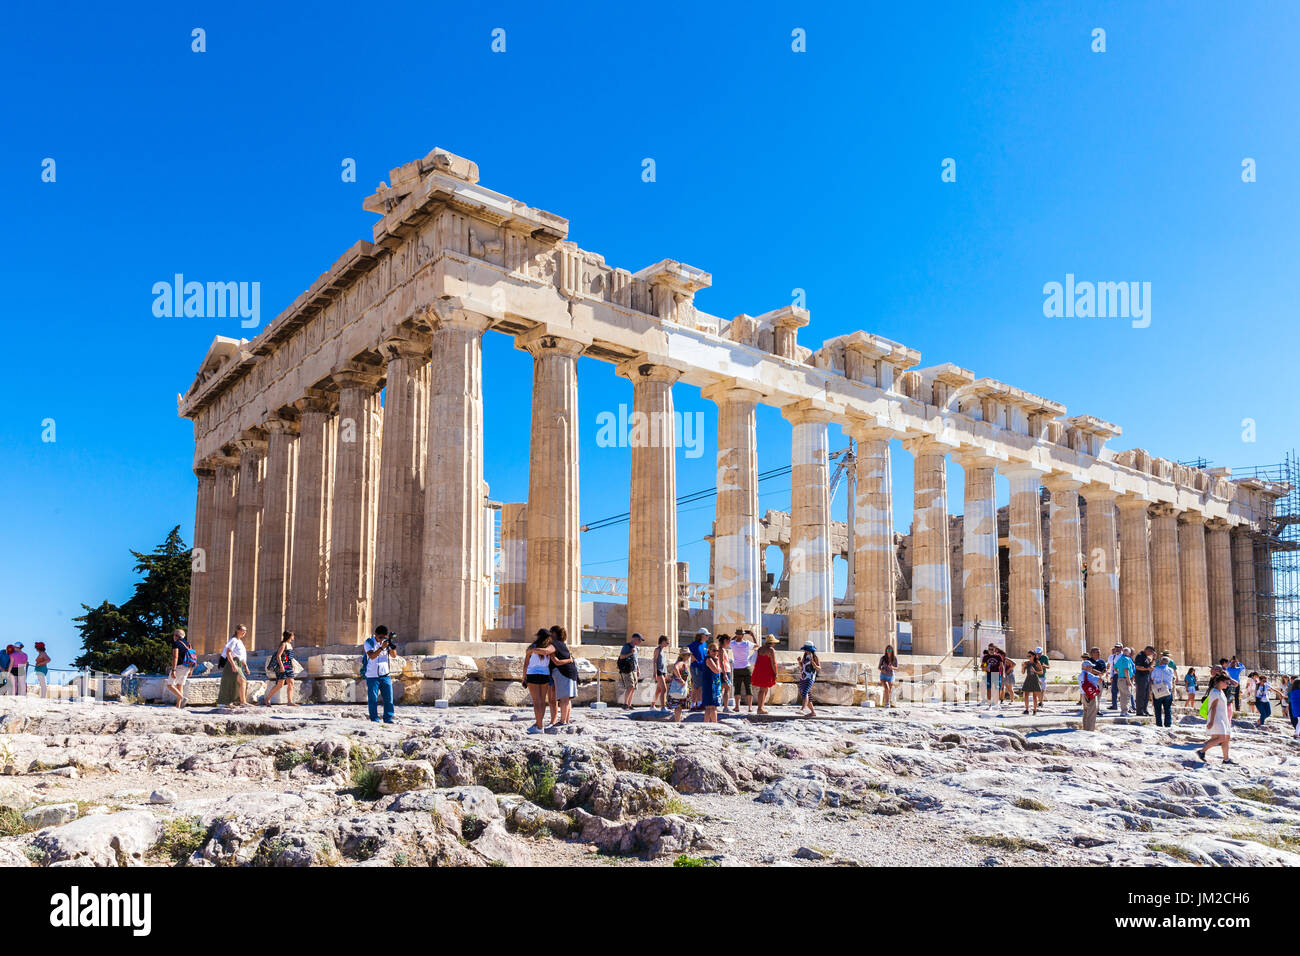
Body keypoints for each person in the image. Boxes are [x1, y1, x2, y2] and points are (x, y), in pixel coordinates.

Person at [521, 629, 555, 733]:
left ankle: (539, 726)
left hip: (532, 674)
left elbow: (526, 664)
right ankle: (539, 724)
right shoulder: (550, 647)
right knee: (542, 701)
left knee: (536, 702)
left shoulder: (531, 648)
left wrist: (523, 677)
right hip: (545, 674)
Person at [363, 625, 398, 725]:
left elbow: (394, 655)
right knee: (373, 698)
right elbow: (372, 656)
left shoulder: (386, 643)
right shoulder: (368, 642)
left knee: (388, 698)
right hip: (372, 675)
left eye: (383, 637)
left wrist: (390, 645)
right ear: (375, 635)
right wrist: (381, 648)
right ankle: (374, 718)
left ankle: (388, 718)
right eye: (380, 637)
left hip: (385, 674)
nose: (381, 639)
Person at [1197, 674, 1234, 764]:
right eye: (1226, 683)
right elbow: (1213, 707)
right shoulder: (1214, 692)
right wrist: (1211, 722)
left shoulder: (1220, 692)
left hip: (1223, 718)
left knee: (1226, 738)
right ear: (1220, 682)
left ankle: (1226, 759)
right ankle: (1201, 751)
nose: (1227, 685)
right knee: (1222, 738)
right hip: (1217, 718)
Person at [548, 625, 578, 728]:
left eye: (550, 632)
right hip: (571, 672)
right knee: (567, 699)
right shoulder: (562, 644)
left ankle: (562, 721)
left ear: (554, 633)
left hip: (563, 672)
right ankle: (566, 720)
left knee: (564, 699)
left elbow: (557, 662)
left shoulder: (554, 644)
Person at [217, 625, 249, 706]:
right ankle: (243, 702)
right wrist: (233, 665)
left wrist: (245, 666)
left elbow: (241, 656)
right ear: (237, 630)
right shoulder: (233, 640)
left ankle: (239, 701)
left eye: (246, 630)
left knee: (236, 682)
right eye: (243, 630)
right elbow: (228, 652)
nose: (244, 632)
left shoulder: (240, 641)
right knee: (242, 681)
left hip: (238, 663)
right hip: (233, 663)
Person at [262, 631, 296, 707]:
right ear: (289, 636)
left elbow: (288, 657)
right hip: (283, 665)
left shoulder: (290, 645)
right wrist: (281, 666)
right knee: (280, 684)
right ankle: (267, 699)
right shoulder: (283, 644)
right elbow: (278, 656)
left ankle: (290, 702)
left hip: (288, 665)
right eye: (293, 635)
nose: (294, 637)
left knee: (291, 683)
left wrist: (292, 665)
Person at [164, 628, 194, 708]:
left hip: (179, 666)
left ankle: (182, 697)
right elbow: (193, 658)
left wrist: (173, 670)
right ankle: (178, 705)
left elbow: (175, 657)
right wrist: (191, 670)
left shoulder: (176, 643)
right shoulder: (189, 644)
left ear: (176, 636)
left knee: (169, 685)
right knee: (180, 685)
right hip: (187, 667)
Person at [731, 630, 756, 713]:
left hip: (737, 668)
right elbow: (757, 646)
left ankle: (737, 707)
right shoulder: (747, 643)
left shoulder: (733, 644)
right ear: (743, 635)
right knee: (748, 687)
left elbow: (730, 640)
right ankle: (750, 707)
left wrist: (736, 636)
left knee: (737, 688)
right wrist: (752, 635)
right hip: (746, 667)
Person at [752, 636, 778, 714]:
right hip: (767, 671)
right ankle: (759, 708)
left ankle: (761, 707)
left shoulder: (760, 649)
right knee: (763, 690)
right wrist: (776, 673)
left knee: (764, 689)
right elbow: (773, 663)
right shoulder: (771, 650)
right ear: (772, 642)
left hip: (760, 670)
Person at [618, 633, 643, 709]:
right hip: (627, 669)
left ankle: (629, 704)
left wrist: (638, 669)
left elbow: (636, 660)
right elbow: (621, 657)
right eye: (639, 640)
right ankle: (625, 704)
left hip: (634, 669)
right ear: (634, 639)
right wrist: (630, 653)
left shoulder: (637, 648)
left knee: (633, 687)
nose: (640, 641)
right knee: (630, 686)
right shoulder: (626, 646)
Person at [1150, 655, 1176, 728]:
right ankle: (1168, 724)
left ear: (1161, 662)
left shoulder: (1156, 669)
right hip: (1168, 691)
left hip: (1158, 690)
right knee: (1167, 709)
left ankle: (1159, 724)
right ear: (1168, 663)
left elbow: (1152, 678)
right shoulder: (1171, 670)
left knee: (1157, 709)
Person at [687, 629, 709, 709]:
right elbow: (687, 651)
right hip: (696, 667)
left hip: (703, 668)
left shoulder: (705, 644)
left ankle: (694, 704)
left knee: (698, 687)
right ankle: (699, 704)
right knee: (699, 686)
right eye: (706, 635)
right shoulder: (694, 644)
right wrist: (692, 657)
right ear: (702, 635)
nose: (708, 636)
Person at [1080, 655, 1103, 731]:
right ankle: (1090, 729)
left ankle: (1085, 727)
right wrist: (1101, 675)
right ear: (1086, 667)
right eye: (1090, 667)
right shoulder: (1089, 675)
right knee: (1092, 712)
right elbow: (1099, 680)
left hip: (1083, 694)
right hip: (1090, 695)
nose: (1092, 668)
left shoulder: (1080, 675)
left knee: (1086, 712)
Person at [701, 642, 723, 723]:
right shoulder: (709, 659)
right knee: (712, 706)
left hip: (714, 685)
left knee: (710, 707)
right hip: (710, 685)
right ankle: (715, 724)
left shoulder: (713, 659)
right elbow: (717, 670)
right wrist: (717, 661)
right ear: (709, 650)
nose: (715, 653)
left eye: (717, 651)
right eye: (714, 650)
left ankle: (706, 723)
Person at [667, 650, 692, 722]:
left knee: (679, 707)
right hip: (679, 687)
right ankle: (677, 721)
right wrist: (680, 679)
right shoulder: (681, 663)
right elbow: (675, 668)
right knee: (678, 706)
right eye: (688, 655)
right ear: (684, 655)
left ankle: (677, 721)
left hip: (681, 688)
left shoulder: (683, 663)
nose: (689, 656)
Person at [797, 643, 819, 717]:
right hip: (803, 677)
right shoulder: (805, 656)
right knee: (807, 695)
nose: (805, 651)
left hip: (810, 677)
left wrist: (814, 664)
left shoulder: (815, 657)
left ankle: (802, 709)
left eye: (806, 649)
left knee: (805, 692)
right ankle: (813, 712)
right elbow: (802, 666)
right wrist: (799, 662)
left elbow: (819, 668)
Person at [1112, 646, 1135, 717]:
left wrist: (1119, 673)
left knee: (1122, 696)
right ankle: (1124, 712)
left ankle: (1123, 711)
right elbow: (1126, 670)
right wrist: (1129, 681)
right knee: (1127, 695)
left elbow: (1114, 667)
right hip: (1125, 679)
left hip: (1120, 679)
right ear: (1129, 653)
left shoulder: (1120, 658)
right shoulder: (1126, 659)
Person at [1134, 645, 1154, 717]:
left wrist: (1154, 659)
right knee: (1141, 694)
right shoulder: (1140, 656)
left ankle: (1144, 710)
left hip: (1146, 677)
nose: (1151, 654)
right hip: (1141, 677)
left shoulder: (1146, 657)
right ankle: (1139, 711)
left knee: (1146, 695)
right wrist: (1147, 669)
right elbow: (1138, 667)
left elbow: (1148, 666)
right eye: (1151, 652)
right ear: (1147, 650)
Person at [652, 635, 670, 710]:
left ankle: (652, 705)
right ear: (662, 641)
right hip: (658, 671)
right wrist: (655, 672)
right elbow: (655, 661)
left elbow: (664, 663)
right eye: (667, 642)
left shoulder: (663, 651)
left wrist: (665, 673)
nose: (668, 644)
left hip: (663, 671)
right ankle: (663, 707)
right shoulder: (657, 650)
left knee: (658, 690)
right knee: (664, 689)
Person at [717, 634, 735, 712]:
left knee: (723, 689)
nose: (729, 642)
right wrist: (724, 673)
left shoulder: (723, 649)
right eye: (729, 641)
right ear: (725, 641)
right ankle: (725, 707)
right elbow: (721, 661)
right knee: (726, 688)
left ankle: (722, 706)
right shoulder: (721, 649)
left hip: (726, 671)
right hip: (723, 671)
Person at [1105, 643, 1124, 710]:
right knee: (1114, 691)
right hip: (1115, 675)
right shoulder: (1112, 657)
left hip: (1123, 675)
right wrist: (1111, 676)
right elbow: (1111, 666)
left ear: (1121, 648)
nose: (1117, 649)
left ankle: (1131, 706)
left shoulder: (1124, 656)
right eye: (1116, 647)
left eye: (1118, 647)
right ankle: (1114, 705)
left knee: (1125, 691)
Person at [1033, 646, 1050, 712]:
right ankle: (1039, 701)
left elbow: (1048, 666)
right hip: (1036, 675)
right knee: (1037, 690)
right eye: (1037, 653)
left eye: (1039, 653)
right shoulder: (1034, 657)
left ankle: (1041, 702)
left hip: (1042, 675)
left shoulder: (1045, 657)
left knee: (1043, 689)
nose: (1038, 654)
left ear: (1041, 653)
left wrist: (1043, 666)